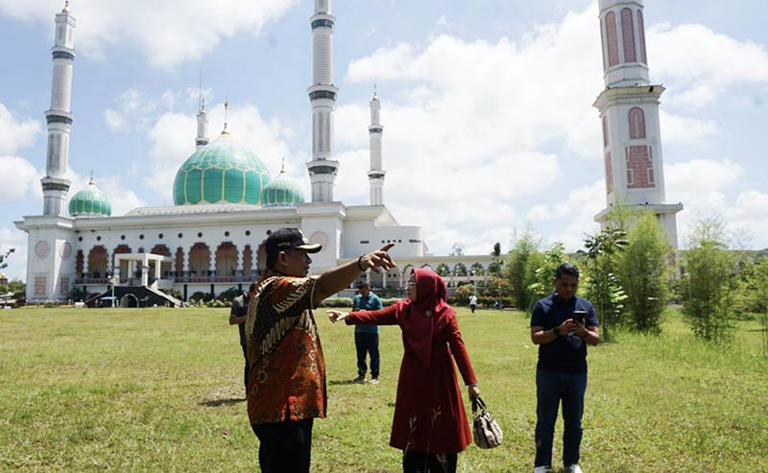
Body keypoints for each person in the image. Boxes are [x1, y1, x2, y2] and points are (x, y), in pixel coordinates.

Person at [245, 228, 396, 473]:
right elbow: (322, 286)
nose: (309, 261)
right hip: (283, 411)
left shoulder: (273, 288)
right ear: (283, 258)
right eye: (303, 254)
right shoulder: (278, 287)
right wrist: (360, 263)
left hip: (281, 409)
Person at [329, 268, 480, 473]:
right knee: (414, 428)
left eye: (413, 283)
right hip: (413, 378)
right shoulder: (404, 309)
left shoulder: (446, 314)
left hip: (440, 380)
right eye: (409, 283)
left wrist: (471, 382)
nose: (407, 286)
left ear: (426, 288)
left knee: (441, 428)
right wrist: (348, 316)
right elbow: (377, 316)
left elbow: (458, 347)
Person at [530, 263, 600, 473]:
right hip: (548, 372)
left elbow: (596, 339)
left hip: (577, 373)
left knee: (574, 421)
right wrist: (559, 331)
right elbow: (536, 337)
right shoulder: (543, 306)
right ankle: (542, 464)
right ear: (555, 282)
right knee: (545, 420)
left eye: (573, 285)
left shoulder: (586, 306)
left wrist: (583, 333)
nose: (568, 289)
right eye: (564, 284)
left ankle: (572, 462)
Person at [352, 281, 383, 384]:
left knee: (373, 354)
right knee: (360, 354)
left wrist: (367, 313)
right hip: (359, 331)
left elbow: (381, 314)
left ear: (369, 289)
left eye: (364, 291)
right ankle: (361, 375)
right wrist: (357, 313)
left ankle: (375, 376)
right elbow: (353, 312)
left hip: (371, 331)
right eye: (360, 292)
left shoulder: (375, 299)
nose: (362, 294)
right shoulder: (357, 299)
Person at [229, 282, 257, 393]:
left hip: (261, 338)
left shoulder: (259, 300)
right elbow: (232, 320)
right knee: (250, 364)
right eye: (255, 293)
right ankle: (249, 392)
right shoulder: (238, 302)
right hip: (247, 339)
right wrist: (248, 317)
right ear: (250, 292)